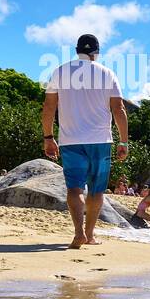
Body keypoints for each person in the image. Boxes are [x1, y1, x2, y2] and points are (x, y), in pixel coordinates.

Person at [41, 33, 128, 249]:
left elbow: (49, 107)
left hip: (70, 140)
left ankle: (78, 233)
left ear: (77, 50)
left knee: (74, 189)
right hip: (100, 141)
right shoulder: (107, 73)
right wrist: (123, 141)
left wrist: (48, 137)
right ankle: (89, 234)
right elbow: (119, 109)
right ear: (96, 53)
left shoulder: (59, 71)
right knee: (97, 191)